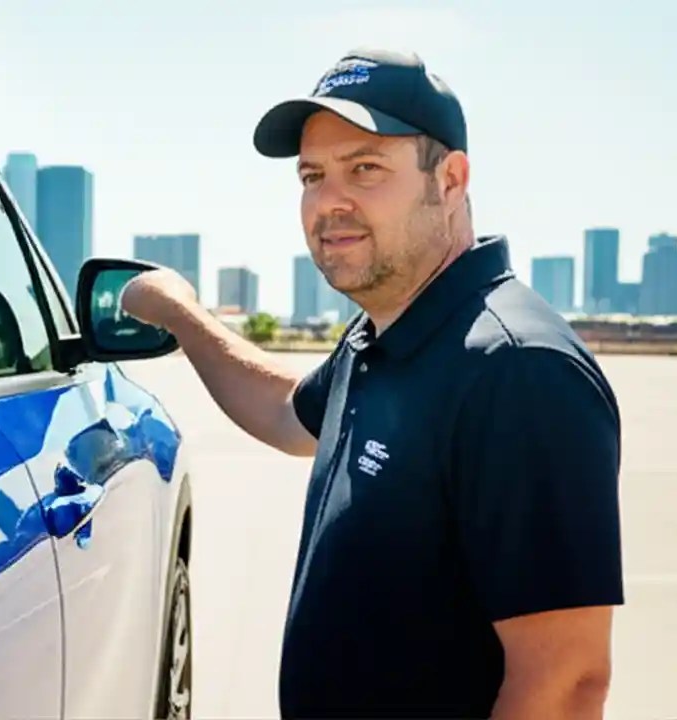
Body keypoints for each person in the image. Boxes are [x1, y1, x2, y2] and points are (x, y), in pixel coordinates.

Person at [121, 47, 623, 719]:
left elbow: (565, 683)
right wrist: (179, 312)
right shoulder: (383, 337)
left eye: (366, 168)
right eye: (312, 175)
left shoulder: (516, 370)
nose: (330, 202)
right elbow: (284, 412)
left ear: (450, 179)